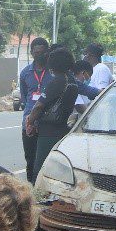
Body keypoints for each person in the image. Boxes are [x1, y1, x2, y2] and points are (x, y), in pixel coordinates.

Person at [24, 46, 79, 181]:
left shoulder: (57, 81)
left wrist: (30, 121)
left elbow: (38, 107)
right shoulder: (73, 82)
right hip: (63, 131)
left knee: (40, 171)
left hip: (48, 133)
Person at [18, 37, 51, 182]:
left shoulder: (52, 72)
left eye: (42, 52)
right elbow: (25, 96)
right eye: (36, 52)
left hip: (47, 122)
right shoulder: (25, 73)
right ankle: (31, 190)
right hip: (29, 123)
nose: (39, 55)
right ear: (31, 53)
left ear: (47, 53)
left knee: (45, 160)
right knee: (30, 159)